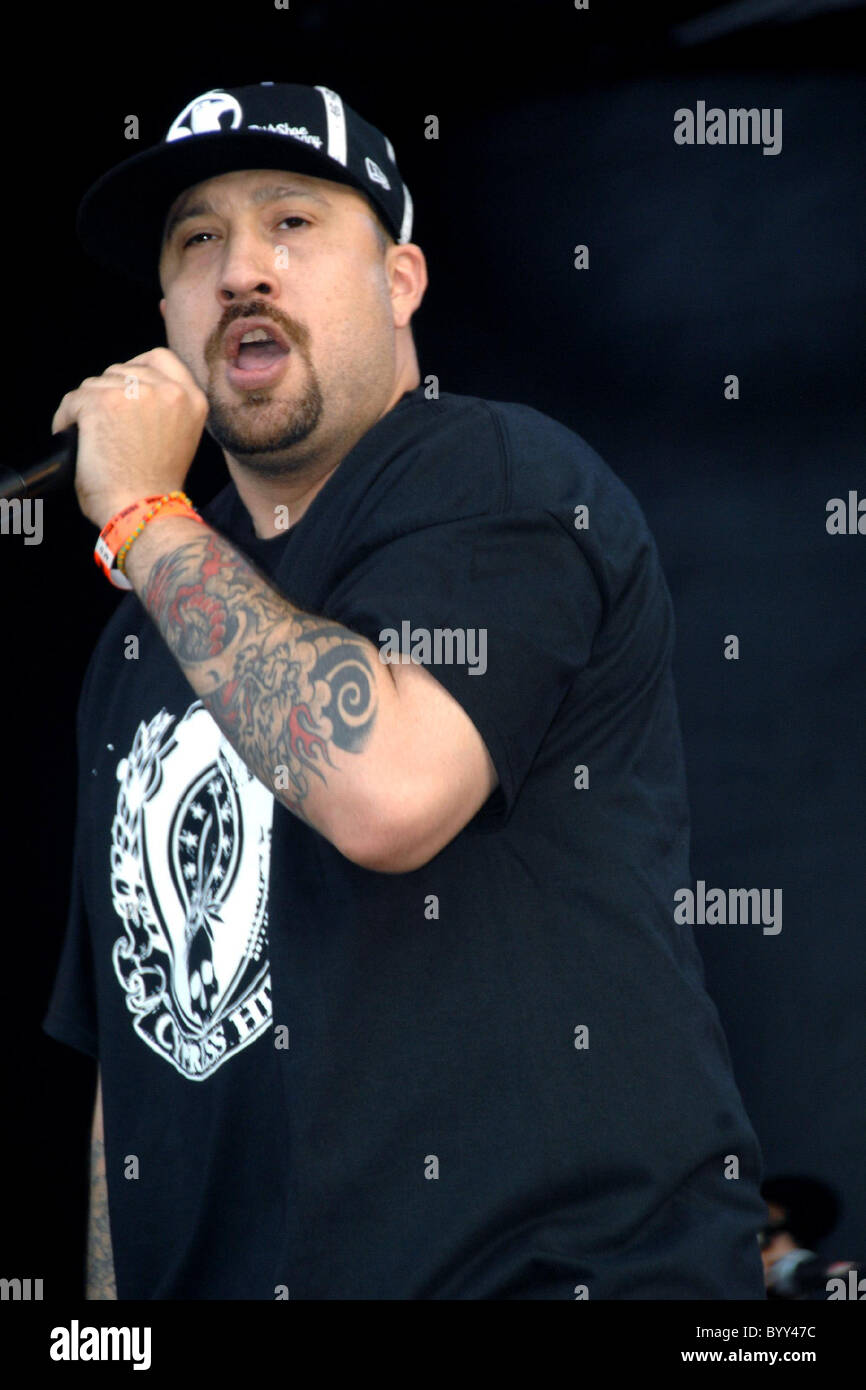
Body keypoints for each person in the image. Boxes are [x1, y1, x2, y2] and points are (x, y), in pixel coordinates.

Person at [43, 81, 768, 1300]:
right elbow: (132, 1050)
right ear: (163, 315)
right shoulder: (138, 636)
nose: (239, 272)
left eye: (292, 223)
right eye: (196, 242)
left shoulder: (495, 475)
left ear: (401, 281)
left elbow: (388, 790)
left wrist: (140, 514)